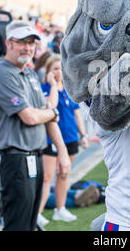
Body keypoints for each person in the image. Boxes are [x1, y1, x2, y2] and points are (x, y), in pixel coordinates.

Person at [0, 20, 70, 231]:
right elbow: (30, 117)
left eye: (31, 43)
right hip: (15, 158)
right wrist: (51, 112)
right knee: (18, 225)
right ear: (9, 43)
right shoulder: (2, 75)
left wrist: (62, 152)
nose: (28, 48)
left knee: (30, 222)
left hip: (35, 155)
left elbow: (48, 113)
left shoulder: (31, 74)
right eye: (22, 42)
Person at [37, 54, 90, 227]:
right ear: (48, 72)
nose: (59, 72)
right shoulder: (44, 88)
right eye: (54, 69)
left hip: (70, 137)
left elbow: (77, 114)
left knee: (64, 174)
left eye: (60, 68)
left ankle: (60, 209)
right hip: (51, 139)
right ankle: (37, 213)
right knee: (47, 177)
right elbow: (49, 107)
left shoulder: (69, 89)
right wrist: (52, 85)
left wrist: (83, 135)